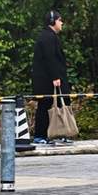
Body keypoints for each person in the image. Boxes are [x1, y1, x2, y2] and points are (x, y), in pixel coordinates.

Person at [31, 10, 70, 144]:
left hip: (51, 80)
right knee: (46, 106)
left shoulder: (50, 36)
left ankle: (60, 133)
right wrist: (55, 77)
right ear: (53, 21)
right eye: (60, 20)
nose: (61, 22)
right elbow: (50, 58)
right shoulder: (47, 37)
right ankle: (40, 135)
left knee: (58, 105)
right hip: (48, 81)